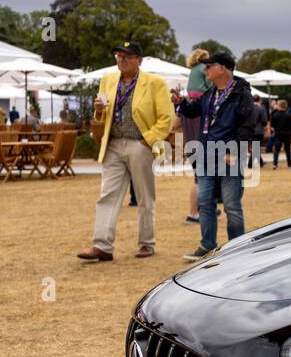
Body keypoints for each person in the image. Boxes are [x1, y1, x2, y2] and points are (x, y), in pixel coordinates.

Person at [76, 41, 174, 262]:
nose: (121, 60)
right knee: (107, 195)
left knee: (144, 196)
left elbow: (166, 118)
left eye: (127, 57)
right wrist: (99, 110)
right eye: (119, 57)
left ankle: (147, 243)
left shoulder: (156, 83)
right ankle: (101, 246)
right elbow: (102, 115)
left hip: (140, 144)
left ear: (139, 60)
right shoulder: (108, 80)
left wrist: (146, 140)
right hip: (113, 144)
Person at [173, 51, 256, 262]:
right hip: (206, 155)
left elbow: (247, 126)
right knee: (205, 202)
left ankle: (237, 247)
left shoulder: (241, 94)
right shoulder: (210, 93)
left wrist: (235, 151)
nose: (205, 69)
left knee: (231, 205)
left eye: (209, 66)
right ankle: (207, 246)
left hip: (228, 156)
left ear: (223, 68)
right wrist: (180, 103)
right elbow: (192, 111)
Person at [181, 48, 211, 224]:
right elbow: (212, 86)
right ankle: (193, 213)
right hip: (199, 125)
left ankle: (207, 208)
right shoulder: (203, 69)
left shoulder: (192, 71)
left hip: (190, 133)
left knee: (202, 174)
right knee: (200, 176)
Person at [269, 99, 291, 169]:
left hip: (278, 134)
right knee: (287, 150)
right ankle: (289, 164)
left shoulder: (275, 115)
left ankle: (275, 164)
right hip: (287, 134)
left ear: (279, 106)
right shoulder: (288, 115)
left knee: (276, 150)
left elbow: (272, 125)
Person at [249, 95, 268, 167]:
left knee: (255, 146)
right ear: (259, 100)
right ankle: (250, 164)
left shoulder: (249, 108)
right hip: (259, 130)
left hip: (250, 130)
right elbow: (264, 121)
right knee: (256, 147)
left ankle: (261, 162)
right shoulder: (261, 108)